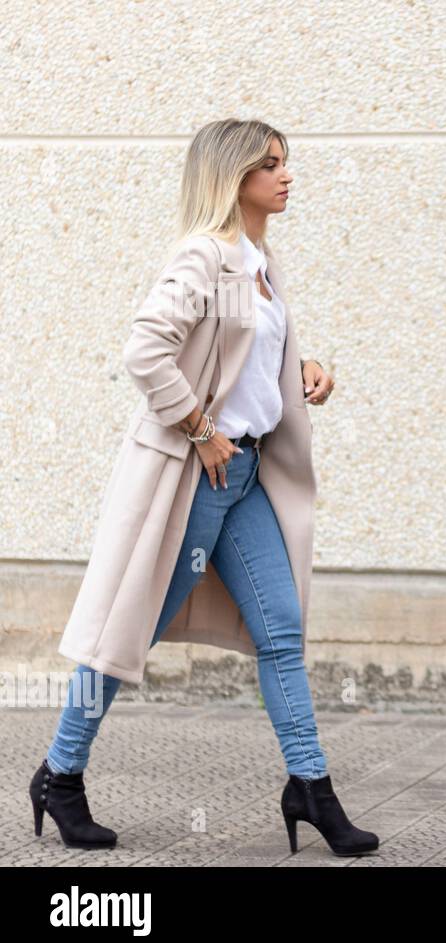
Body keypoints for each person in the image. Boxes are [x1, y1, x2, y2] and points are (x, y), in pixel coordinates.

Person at [31, 118, 378, 857]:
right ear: (234, 177)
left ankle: (310, 788)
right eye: (271, 165)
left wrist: (304, 369)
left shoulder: (261, 262)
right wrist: (198, 427)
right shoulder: (203, 255)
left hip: (246, 474)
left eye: (286, 163)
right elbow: (145, 348)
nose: (287, 177)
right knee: (130, 633)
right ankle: (60, 775)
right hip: (198, 477)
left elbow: (238, 352)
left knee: (280, 631)